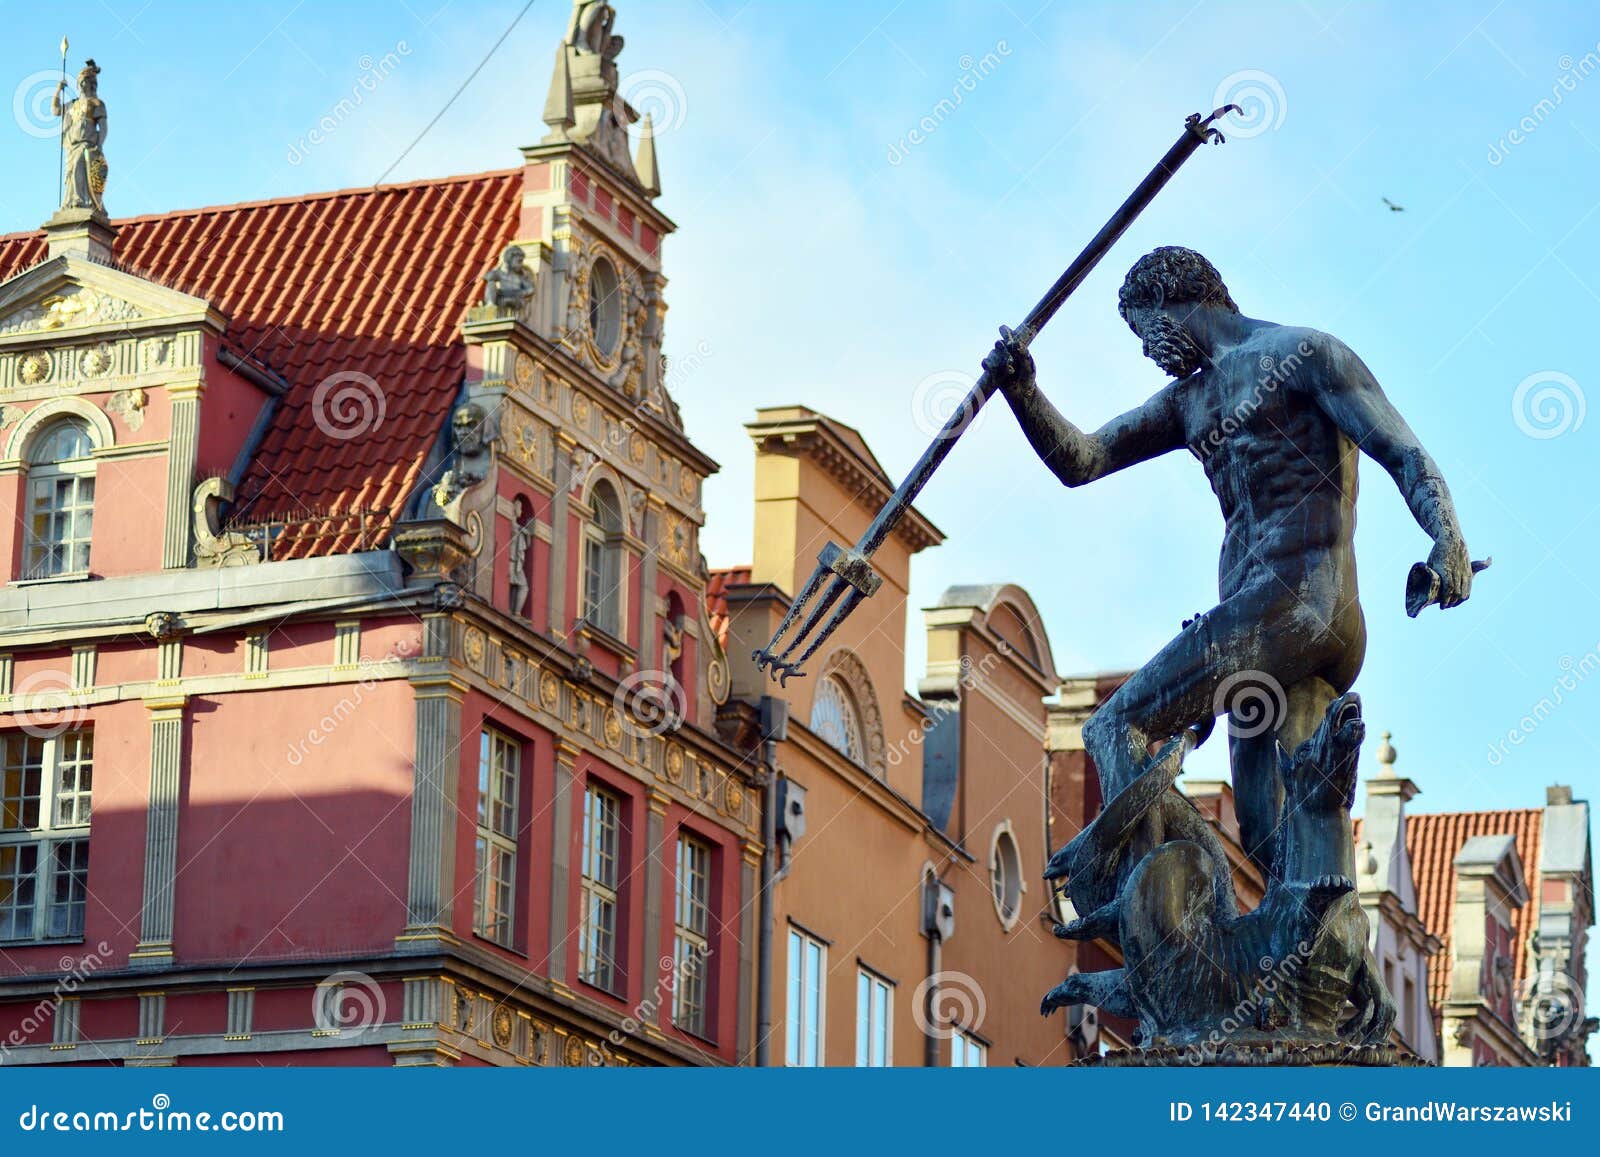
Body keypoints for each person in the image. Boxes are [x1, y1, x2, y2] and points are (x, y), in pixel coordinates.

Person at [985, 246, 1474, 876]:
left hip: (1295, 602)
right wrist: (1021, 389)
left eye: (1142, 332)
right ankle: (1318, 960)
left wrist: (1448, 541)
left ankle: (1157, 899)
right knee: (1269, 838)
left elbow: (1401, 450)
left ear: (1169, 305)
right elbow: (1082, 461)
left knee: (1114, 728)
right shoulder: (1189, 401)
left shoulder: (1305, 353)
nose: (1145, 351)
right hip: (1274, 624)